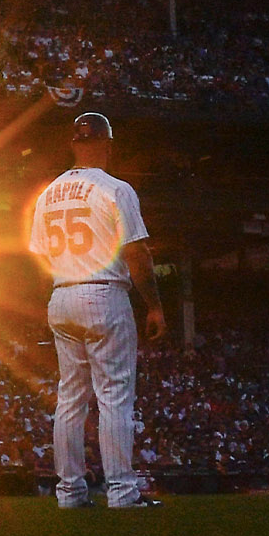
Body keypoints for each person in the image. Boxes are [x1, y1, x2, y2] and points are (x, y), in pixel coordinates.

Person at [27, 111, 165, 509]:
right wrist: (155, 306)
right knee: (114, 398)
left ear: (74, 144)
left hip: (62, 293)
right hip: (104, 293)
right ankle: (122, 492)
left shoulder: (48, 193)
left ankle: (70, 493)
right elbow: (137, 253)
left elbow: (39, 258)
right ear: (108, 144)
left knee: (70, 400)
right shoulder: (115, 188)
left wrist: (59, 292)